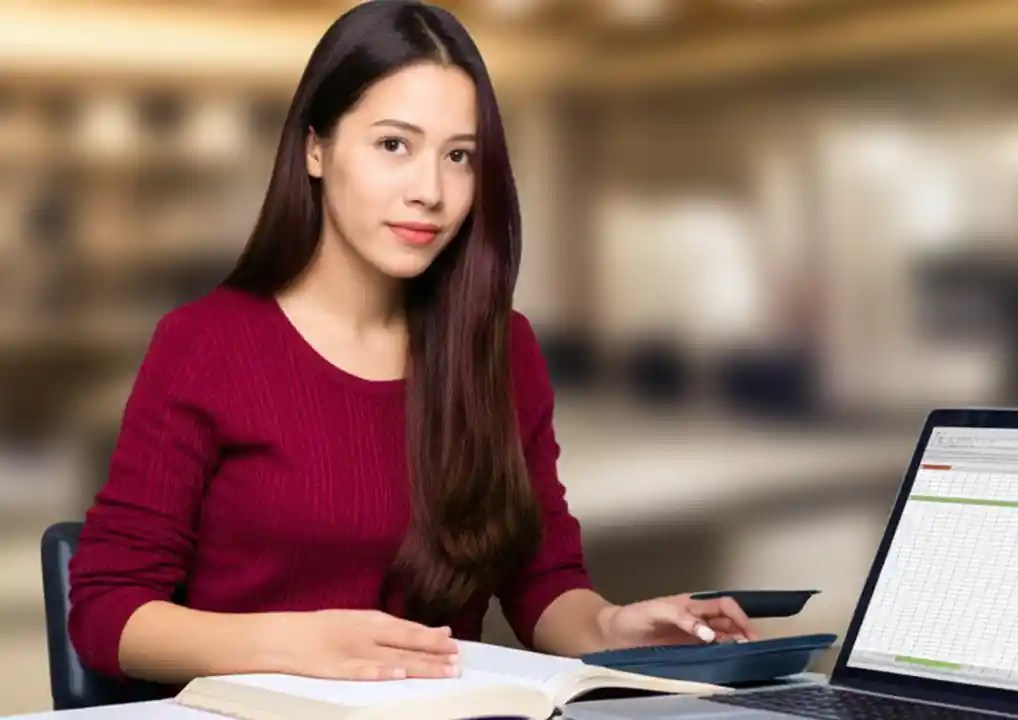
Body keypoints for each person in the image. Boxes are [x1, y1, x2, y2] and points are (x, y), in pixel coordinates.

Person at [68, 0, 757, 689]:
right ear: (315, 147)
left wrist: (611, 628)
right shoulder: (206, 344)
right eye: (394, 145)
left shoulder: (499, 349)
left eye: (458, 157)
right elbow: (106, 611)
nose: (430, 191)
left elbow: (543, 582)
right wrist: (292, 643)